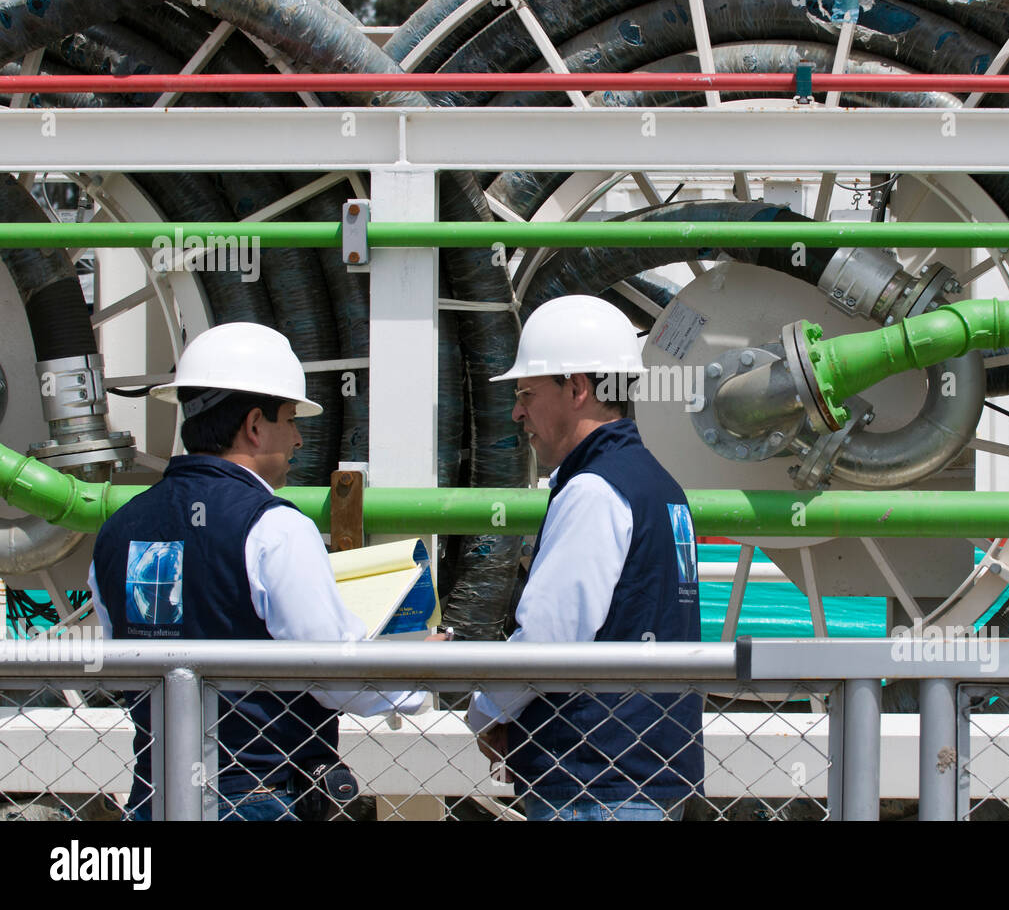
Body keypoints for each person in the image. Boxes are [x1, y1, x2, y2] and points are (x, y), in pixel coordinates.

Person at [88, 322, 426, 821]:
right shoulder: (275, 528)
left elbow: (127, 658)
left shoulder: (118, 530)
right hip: (260, 796)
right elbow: (331, 668)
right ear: (253, 424)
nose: (299, 439)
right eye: (290, 419)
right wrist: (416, 675)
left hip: (154, 798)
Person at [467, 295, 703, 821]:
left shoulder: (593, 490)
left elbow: (550, 637)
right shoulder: (661, 487)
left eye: (527, 392)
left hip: (594, 784)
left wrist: (485, 710)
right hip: (652, 772)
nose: (516, 412)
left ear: (576, 388)